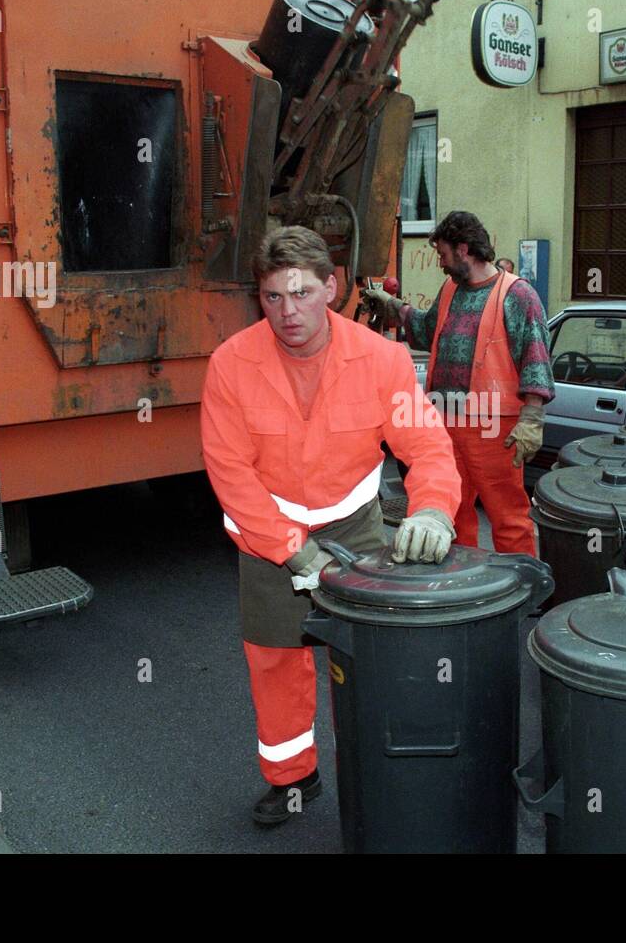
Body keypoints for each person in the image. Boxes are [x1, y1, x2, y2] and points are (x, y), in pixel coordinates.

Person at [200, 226, 461, 827]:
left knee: (371, 663)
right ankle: (294, 777)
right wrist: (296, 553)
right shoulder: (230, 366)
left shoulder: (382, 359)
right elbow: (232, 476)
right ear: (258, 298)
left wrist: (431, 510)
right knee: (276, 661)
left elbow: (426, 447)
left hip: (361, 533)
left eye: (302, 293)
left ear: (332, 287)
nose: (288, 313)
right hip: (269, 542)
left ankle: (380, 766)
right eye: (272, 298)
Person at [363, 211, 554, 556]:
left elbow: (536, 358)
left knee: (508, 516)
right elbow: (424, 329)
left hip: (494, 428)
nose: (441, 263)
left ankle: (523, 591)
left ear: (464, 249)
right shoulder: (450, 289)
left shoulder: (517, 294)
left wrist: (531, 419)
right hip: (445, 422)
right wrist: (393, 305)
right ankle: (460, 585)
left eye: (443, 254)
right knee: (450, 511)